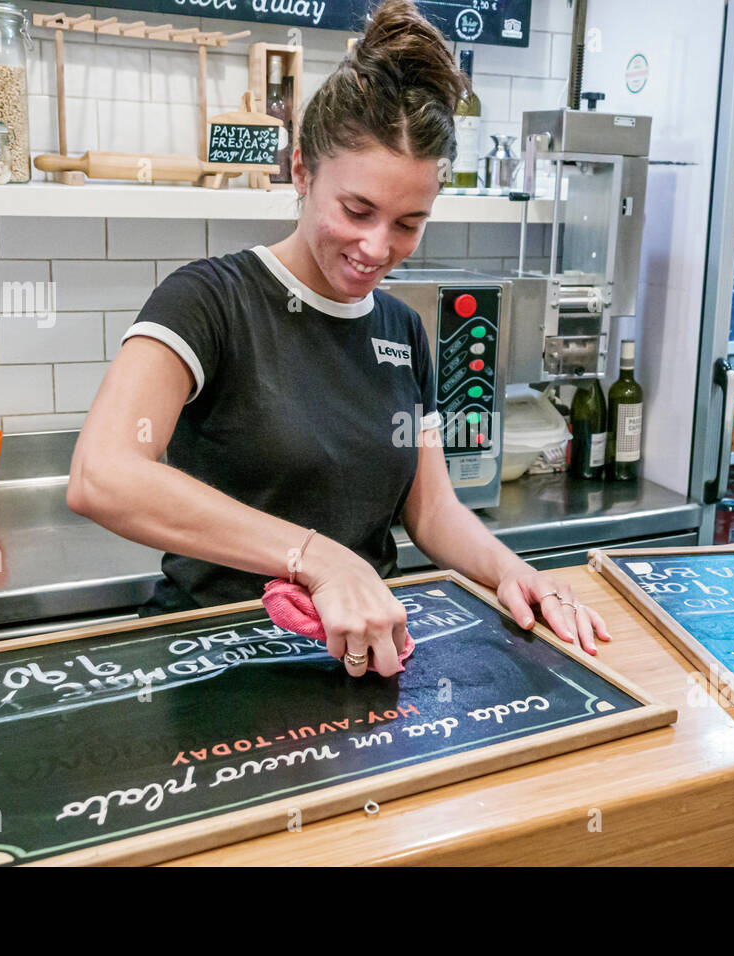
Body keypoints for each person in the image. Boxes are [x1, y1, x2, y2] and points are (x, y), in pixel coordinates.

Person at [67, 0, 611, 679]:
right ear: (301, 170)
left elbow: (433, 508)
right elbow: (101, 475)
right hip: (216, 662)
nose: (378, 247)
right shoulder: (211, 300)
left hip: (362, 660)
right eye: (357, 210)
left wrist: (512, 572)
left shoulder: (402, 331)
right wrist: (316, 556)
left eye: (409, 222)